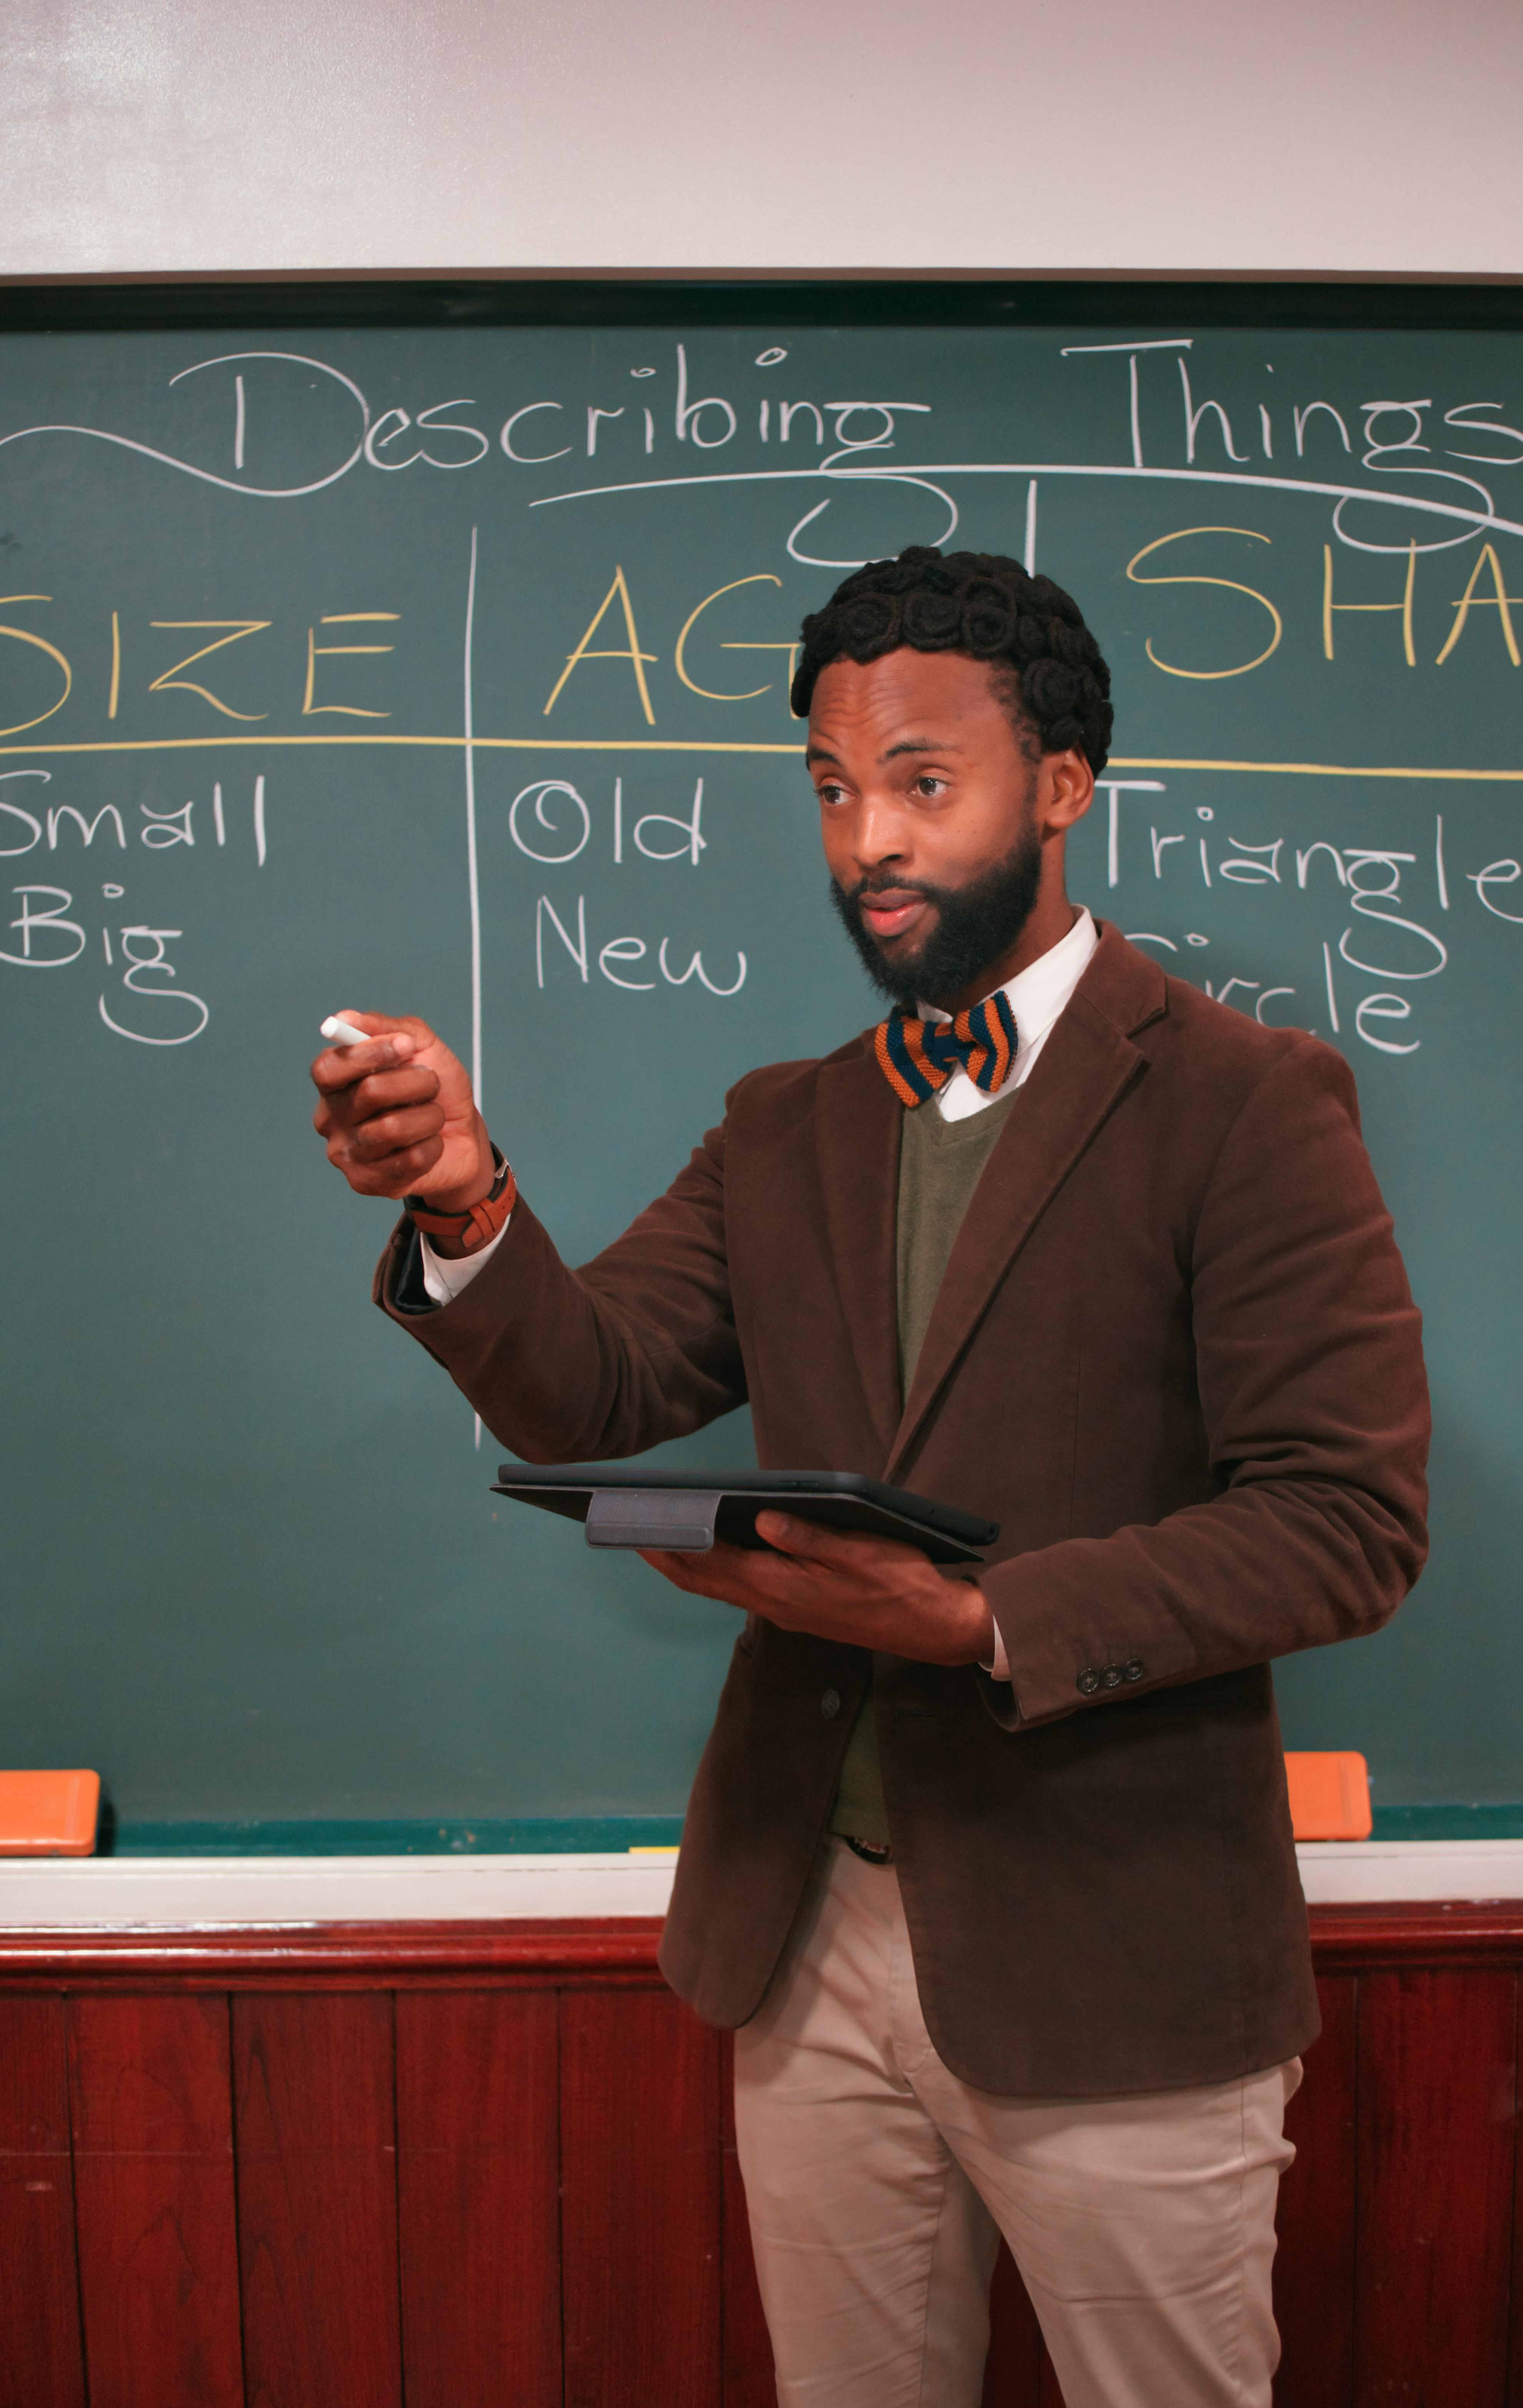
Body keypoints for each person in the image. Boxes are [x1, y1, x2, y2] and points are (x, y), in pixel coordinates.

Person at [312, 545, 1430, 2408]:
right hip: (810, 1939)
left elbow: (1346, 1521)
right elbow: (597, 1388)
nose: (868, 842)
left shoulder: (1251, 1103)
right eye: (834, 790)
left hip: (1120, 1961)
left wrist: (982, 1618)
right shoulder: (786, 1123)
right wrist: (460, 1197)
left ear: (1064, 787)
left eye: (925, 780)